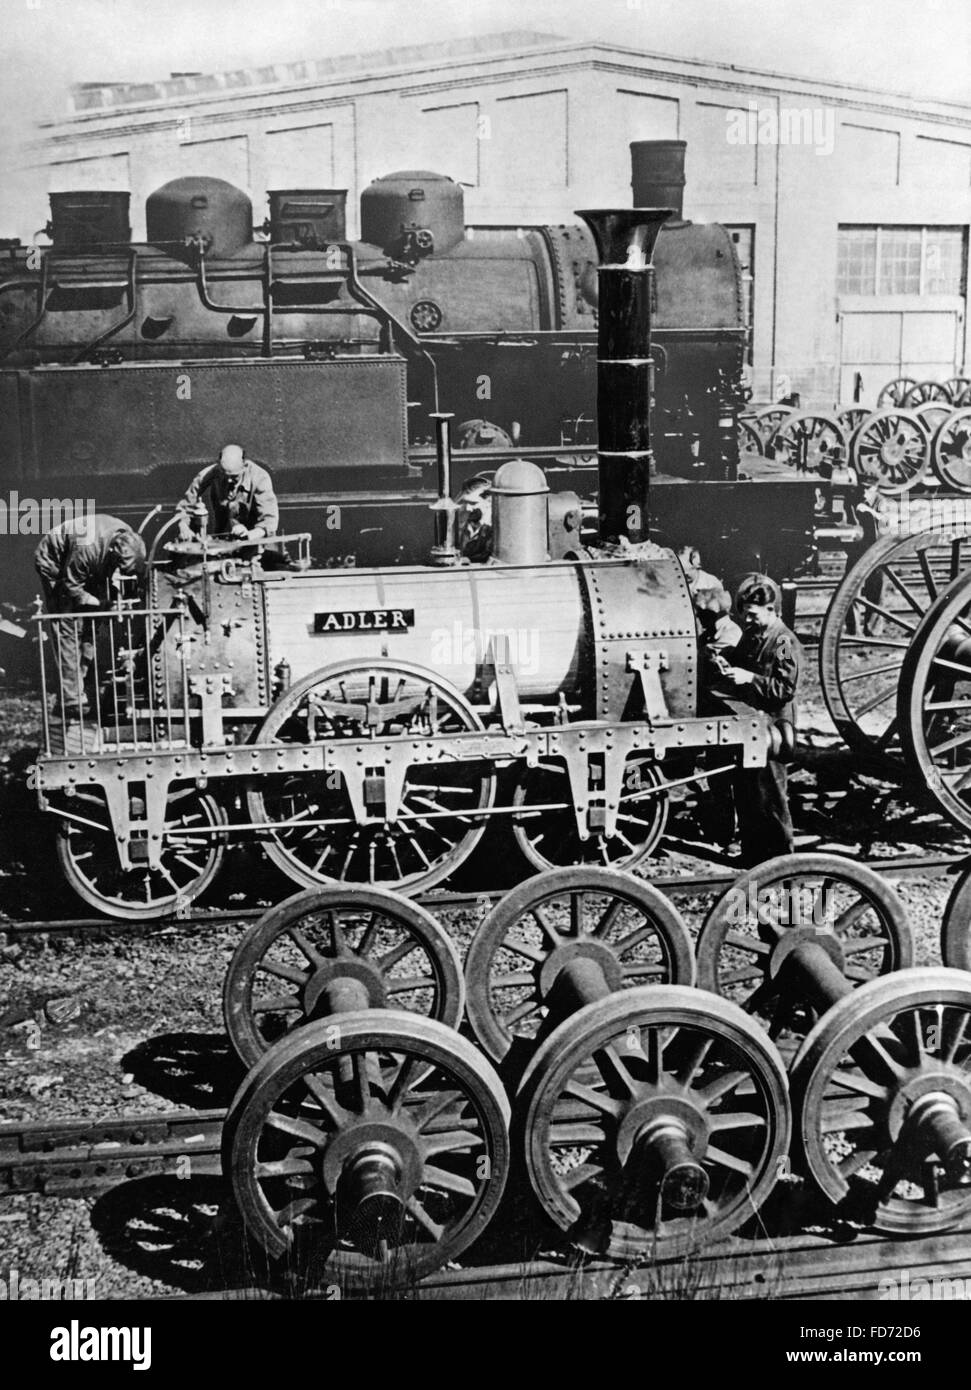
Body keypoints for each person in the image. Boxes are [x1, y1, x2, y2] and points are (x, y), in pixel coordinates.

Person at [709, 572, 804, 866]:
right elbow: (739, 660)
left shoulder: (784, 641)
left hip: (773, 727)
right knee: (748, 791)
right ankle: (753, 855)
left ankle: (779, 861)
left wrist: (749, 678)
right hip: (750, 724)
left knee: (772, 796)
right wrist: (724, 663)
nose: (746, 621)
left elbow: (784, 689)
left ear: (771, 611)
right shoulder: (753, 633)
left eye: (752, 615)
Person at [34, 514, 146, 716]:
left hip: (85, 564)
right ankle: (71, 699)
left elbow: (109, 568)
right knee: (67, 626)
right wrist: (102, 603)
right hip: (55, 563)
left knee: (92, 622)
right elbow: (71, 587)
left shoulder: (126, 535)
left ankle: (81, 682)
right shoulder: (86, 548)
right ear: (112, 552)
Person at [176, 444, 279, 543]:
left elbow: (269, 520)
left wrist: (249, 534)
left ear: (244, 465)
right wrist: (183, 526)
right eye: (225, 476)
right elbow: (185, 505)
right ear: (219, 466)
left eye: (234, 477)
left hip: (255, 542)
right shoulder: (211, 473)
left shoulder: (260, 478)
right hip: (224, 541)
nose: (229, 481)